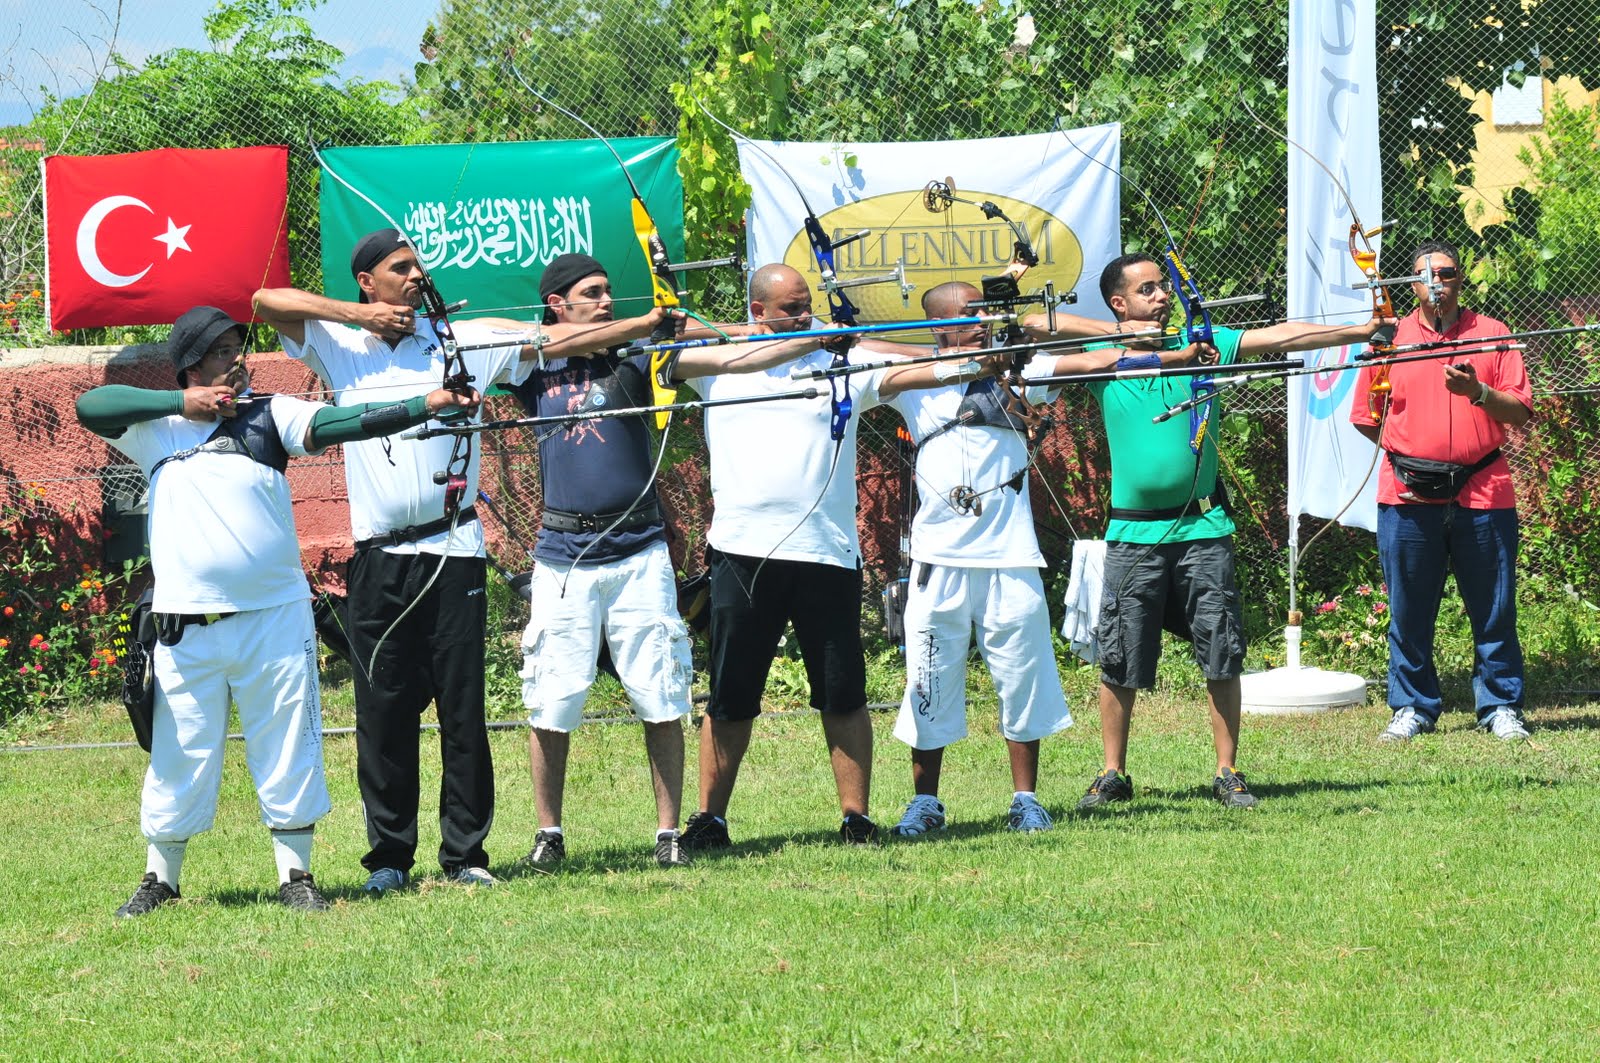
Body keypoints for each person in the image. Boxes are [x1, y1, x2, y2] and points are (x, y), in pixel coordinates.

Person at [76, 305, 479, 916]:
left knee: (287, 741)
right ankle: (161, 878)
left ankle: (296, 875)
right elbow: (91, 407)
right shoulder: (155, 429)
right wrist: (179, 406)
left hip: (275, 618)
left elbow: (347, 421)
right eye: (219, 353)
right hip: (188, 624)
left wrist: (424, 404)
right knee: (179, 751)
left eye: (238, 349)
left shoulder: (270, 414)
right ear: (189, 366)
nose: (235, 361)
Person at [253, 229, 540, 894]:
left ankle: (466, 852)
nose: (416, 276)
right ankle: (389, 856)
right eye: (399, 268)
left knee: (462, 706)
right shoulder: (340, 342)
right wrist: (357, 317)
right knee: (384, 708)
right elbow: (264, 300)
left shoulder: (449, 342)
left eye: (419, 267)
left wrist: (635, 324)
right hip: (379, 553)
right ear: (366, 281)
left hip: (455, 546)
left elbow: (545, 341)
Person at [662, 264, 983, 848]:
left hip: (828, 554)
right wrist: (783, 337)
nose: (804, 314)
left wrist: (982, 357)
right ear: (757, 311)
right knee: (732, 695)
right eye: (789, 308)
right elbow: (668, 340)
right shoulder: (722, 366)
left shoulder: (842, 366)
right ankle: (710, 819)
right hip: (742, 553)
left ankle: (855, 817)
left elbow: (917, 368)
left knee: (842, 691)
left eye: (807, 304)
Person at [1077, 252, 1390, 812]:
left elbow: (1283, 337)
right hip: (1131, 532)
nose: (1162, 296)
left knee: (1220, 649)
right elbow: (1034, 328)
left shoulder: (1204, 344)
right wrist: (1141, 342)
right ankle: (1111, 773)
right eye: (1147, 289)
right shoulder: (1100, 355)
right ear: (1119, 303)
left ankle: (1227, 770)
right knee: (1120, 655)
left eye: (1164, 287)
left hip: (1203, 526)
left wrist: (1361, 328)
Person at [881, 280, 1179, 837]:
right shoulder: (915, 385)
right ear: (942, 325)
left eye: (987, 314)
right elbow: (866, 353)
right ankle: (925, 802)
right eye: (970, 315)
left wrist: (1152, 344)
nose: (983, 322)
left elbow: (1092, 359)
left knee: (1022, 677)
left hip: (1010, 557)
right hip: (937, 560)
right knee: (928, 680)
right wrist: (941, 357)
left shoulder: (1019, 373)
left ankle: (1025, 798)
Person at [490, 252, 698, 869]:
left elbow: (717, 350)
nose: (609, 300)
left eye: (610, 292)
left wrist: (670, 324)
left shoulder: (638, 362)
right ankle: (549, 834)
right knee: (553, 699)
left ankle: (667, 835)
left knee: (661, 693)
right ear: (557, 304)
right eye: (593, 292)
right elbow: (492, 337)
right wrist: (626, 326)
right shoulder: (532, 368)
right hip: (563, 557)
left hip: (639, 550)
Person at [1349, 239, 1533, 742]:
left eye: (1447, 273)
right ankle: (1412, 707)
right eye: (1427, 275)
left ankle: (1500, 705)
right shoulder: (1389, 338)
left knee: (1494, 606)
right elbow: (1367, 416)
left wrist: (1477, 393)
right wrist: (1412, 455)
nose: (1438, 282)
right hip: (1408, 495)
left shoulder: (1493, 334)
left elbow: (1518, 411)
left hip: (1483, 490)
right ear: (1410, 283)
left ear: (1459, 279)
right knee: (1408, 609)